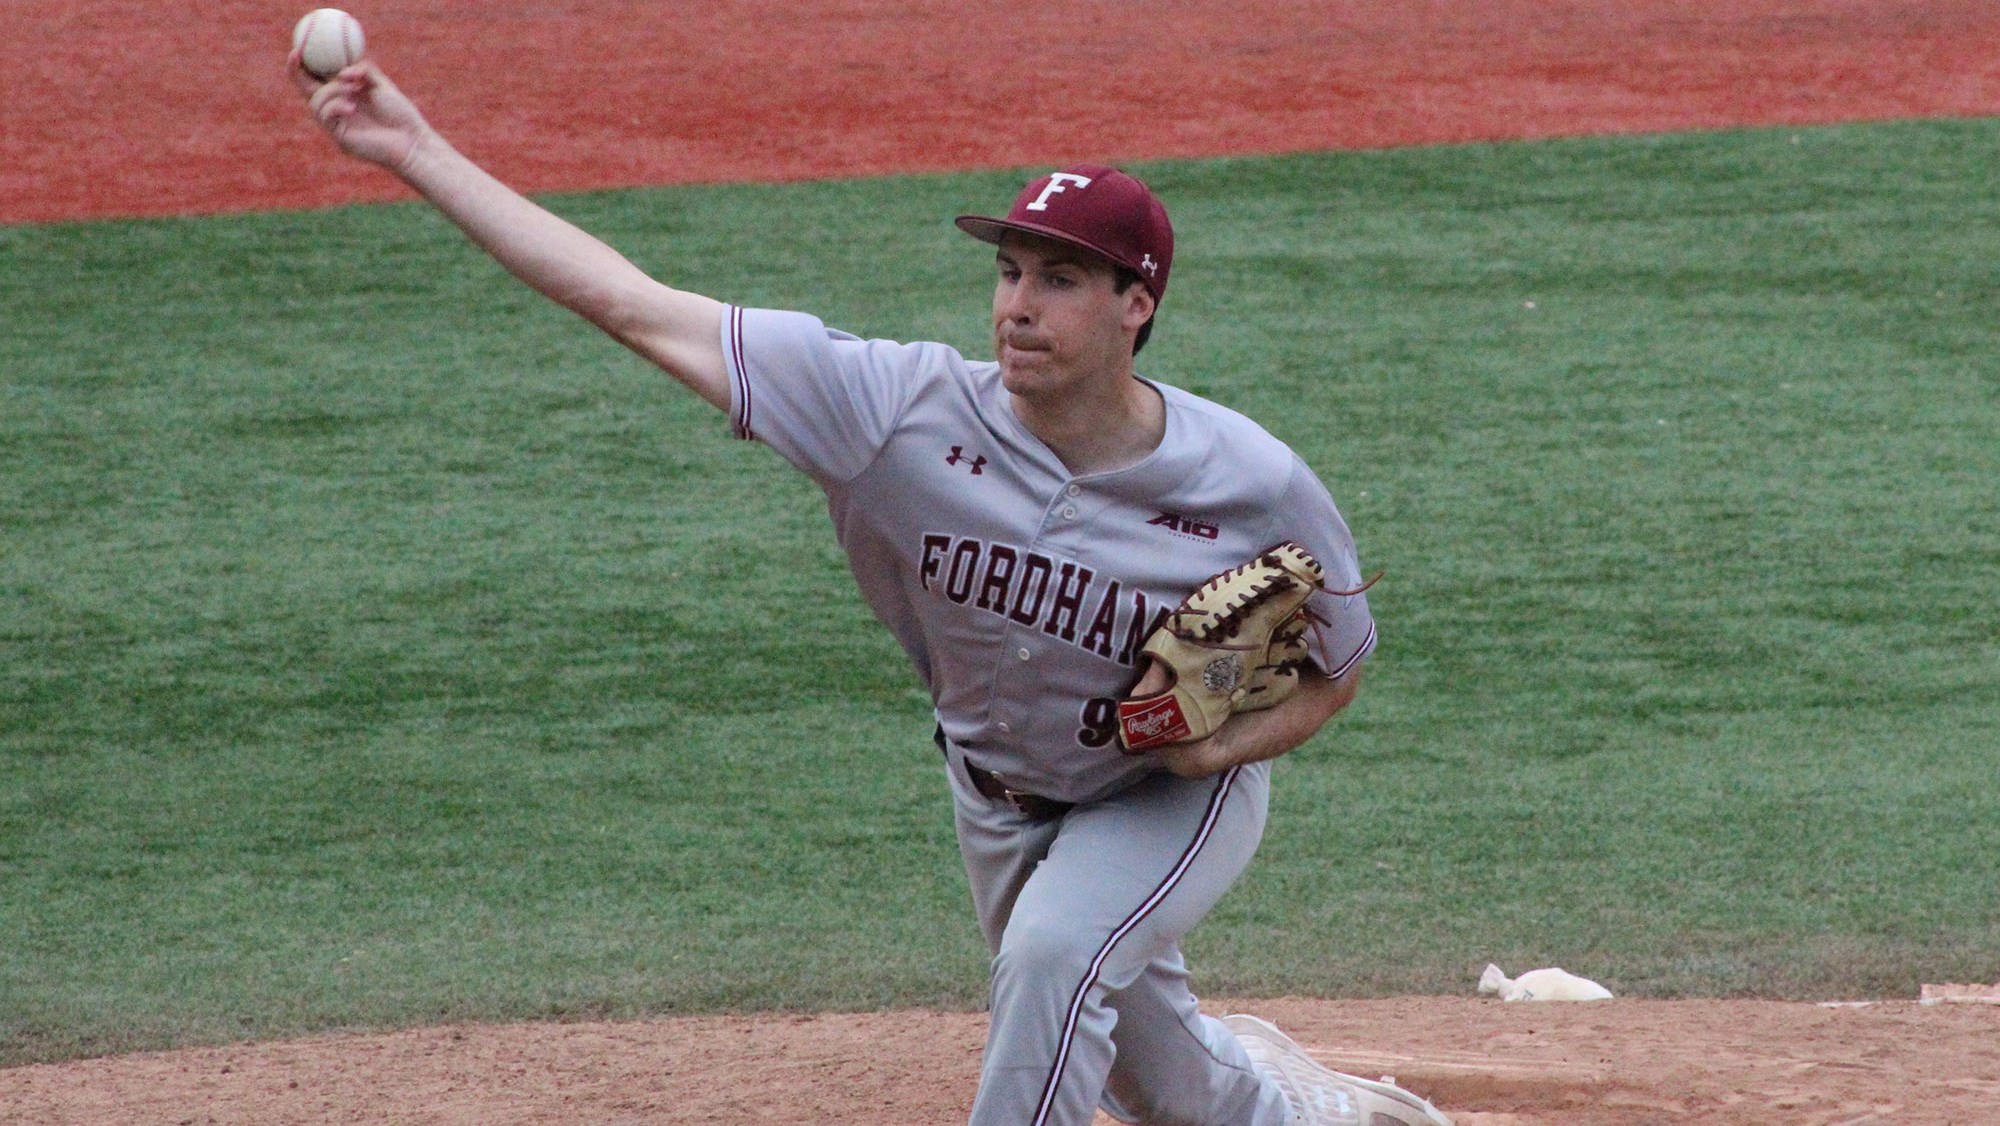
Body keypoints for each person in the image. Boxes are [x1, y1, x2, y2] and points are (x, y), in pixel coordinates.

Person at [292, 53, 1453, 1126]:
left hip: (1160, 795)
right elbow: (630, 302)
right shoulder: (892, 413)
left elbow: (1337, 669)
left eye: (1057, 280)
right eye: (1007, 272)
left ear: (1133, 305)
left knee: (1052, 957)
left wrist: (1213, 751)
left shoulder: (1251, 481)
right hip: (994, 792)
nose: (1015, 305)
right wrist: (414, 151)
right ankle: (1338, 1115)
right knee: (1163, 1086)